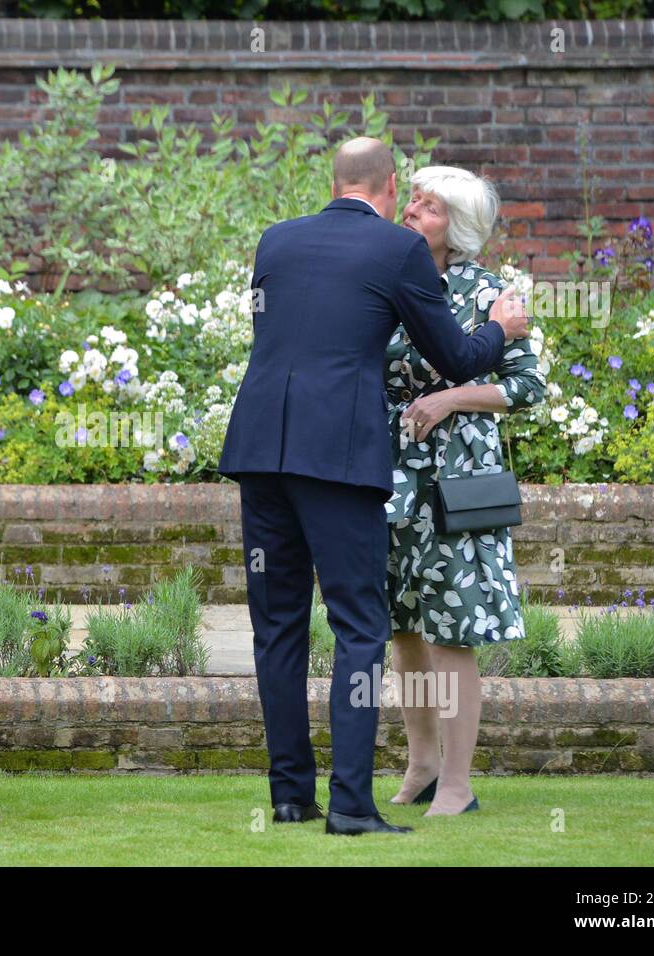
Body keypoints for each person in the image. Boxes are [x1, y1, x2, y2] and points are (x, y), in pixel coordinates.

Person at [217, 137, 529, 836]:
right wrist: (499, 330)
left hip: (261, 448)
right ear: (388, 185)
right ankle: (353, 805)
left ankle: (292, 797)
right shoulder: (398, 251)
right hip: (338, 456)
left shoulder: (278, 241)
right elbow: (454, 356)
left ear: (335, 181)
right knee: (360, 626)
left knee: (279, 629)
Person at [386, 166, 547, 816]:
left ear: (460, 227)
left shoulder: (488, 292)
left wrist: (452, 397)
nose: (413, 208)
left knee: (454, 630)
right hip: (390, 476)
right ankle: (421, 764)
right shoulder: (389, 282)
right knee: (400, 628)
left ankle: (457, 783)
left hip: (458, 482)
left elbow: (526, 387)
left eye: (428, 206)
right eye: (414, 198)